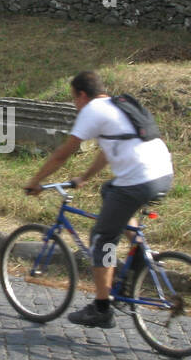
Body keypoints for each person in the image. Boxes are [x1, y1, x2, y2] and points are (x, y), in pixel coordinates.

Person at [23, 70, 174, 328]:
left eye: (74, 99)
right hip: (163, 174)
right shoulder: (118, 106)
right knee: (109, 191)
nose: (75, 104)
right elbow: (107, 152)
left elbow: (63, 153)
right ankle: (138, 252)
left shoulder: (92, 110)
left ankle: (101, 308)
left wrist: (35, 181)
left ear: (82, 95)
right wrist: (84, 177)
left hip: (138, 181)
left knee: (101, 238)